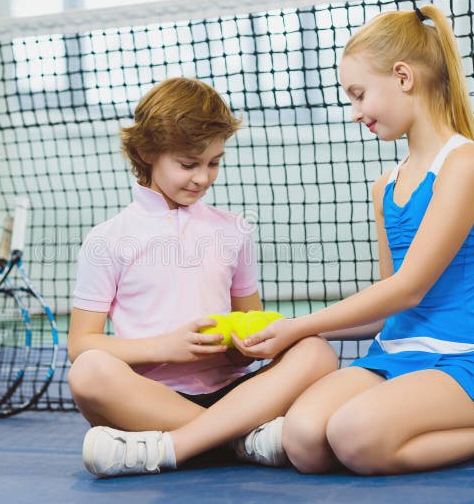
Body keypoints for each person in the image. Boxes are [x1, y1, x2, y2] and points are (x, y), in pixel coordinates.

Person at [236, 5, 474, 475]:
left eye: (359, 94)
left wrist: (297, 327)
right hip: (394, 355)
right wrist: (287, 327)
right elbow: (387, 303)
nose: (356, 113)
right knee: (303, 441)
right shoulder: (385, 187)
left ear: (402, 76)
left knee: (355, 436)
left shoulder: (465, 166)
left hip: (465, 363)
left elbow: (409, 287)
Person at [67, 77, 338, 477]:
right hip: (148, 399)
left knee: (315, 351)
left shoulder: (234, 230)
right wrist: (167, 347)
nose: (203, 178)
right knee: (88, 371)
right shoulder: (108, 239)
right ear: (146, 152)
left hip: (237, 394)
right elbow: (80, 343)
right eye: (188, 164)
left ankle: (188, 442)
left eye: (214, 163)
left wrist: (241, 345)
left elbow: (253, 324)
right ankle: (240, 441)